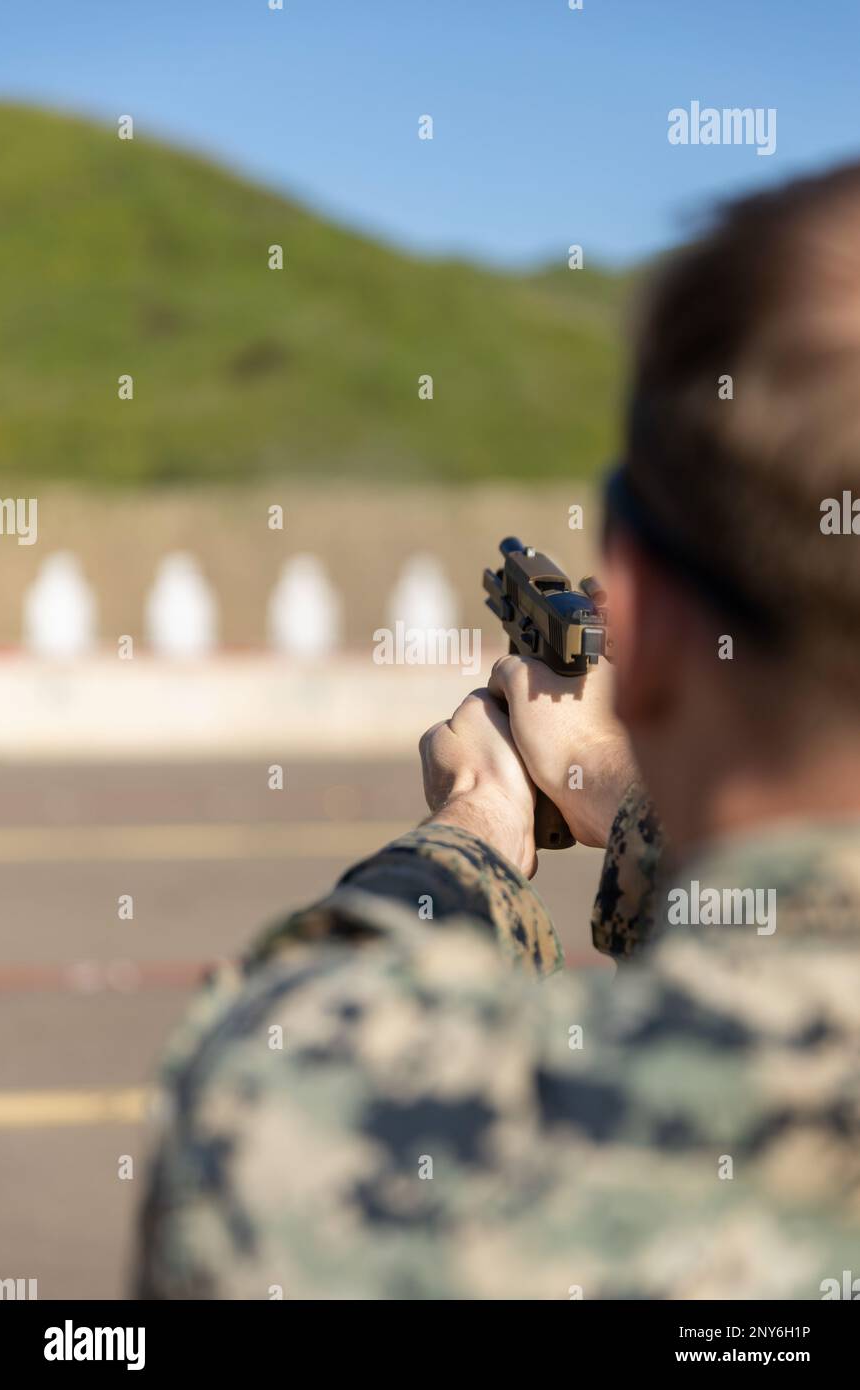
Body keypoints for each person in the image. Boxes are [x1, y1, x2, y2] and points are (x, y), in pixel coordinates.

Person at [135, 166, 860, 1300]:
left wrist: (472, 832)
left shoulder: (311, 1136)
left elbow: (265, 1074)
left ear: (644, 613)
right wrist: (625, 801)